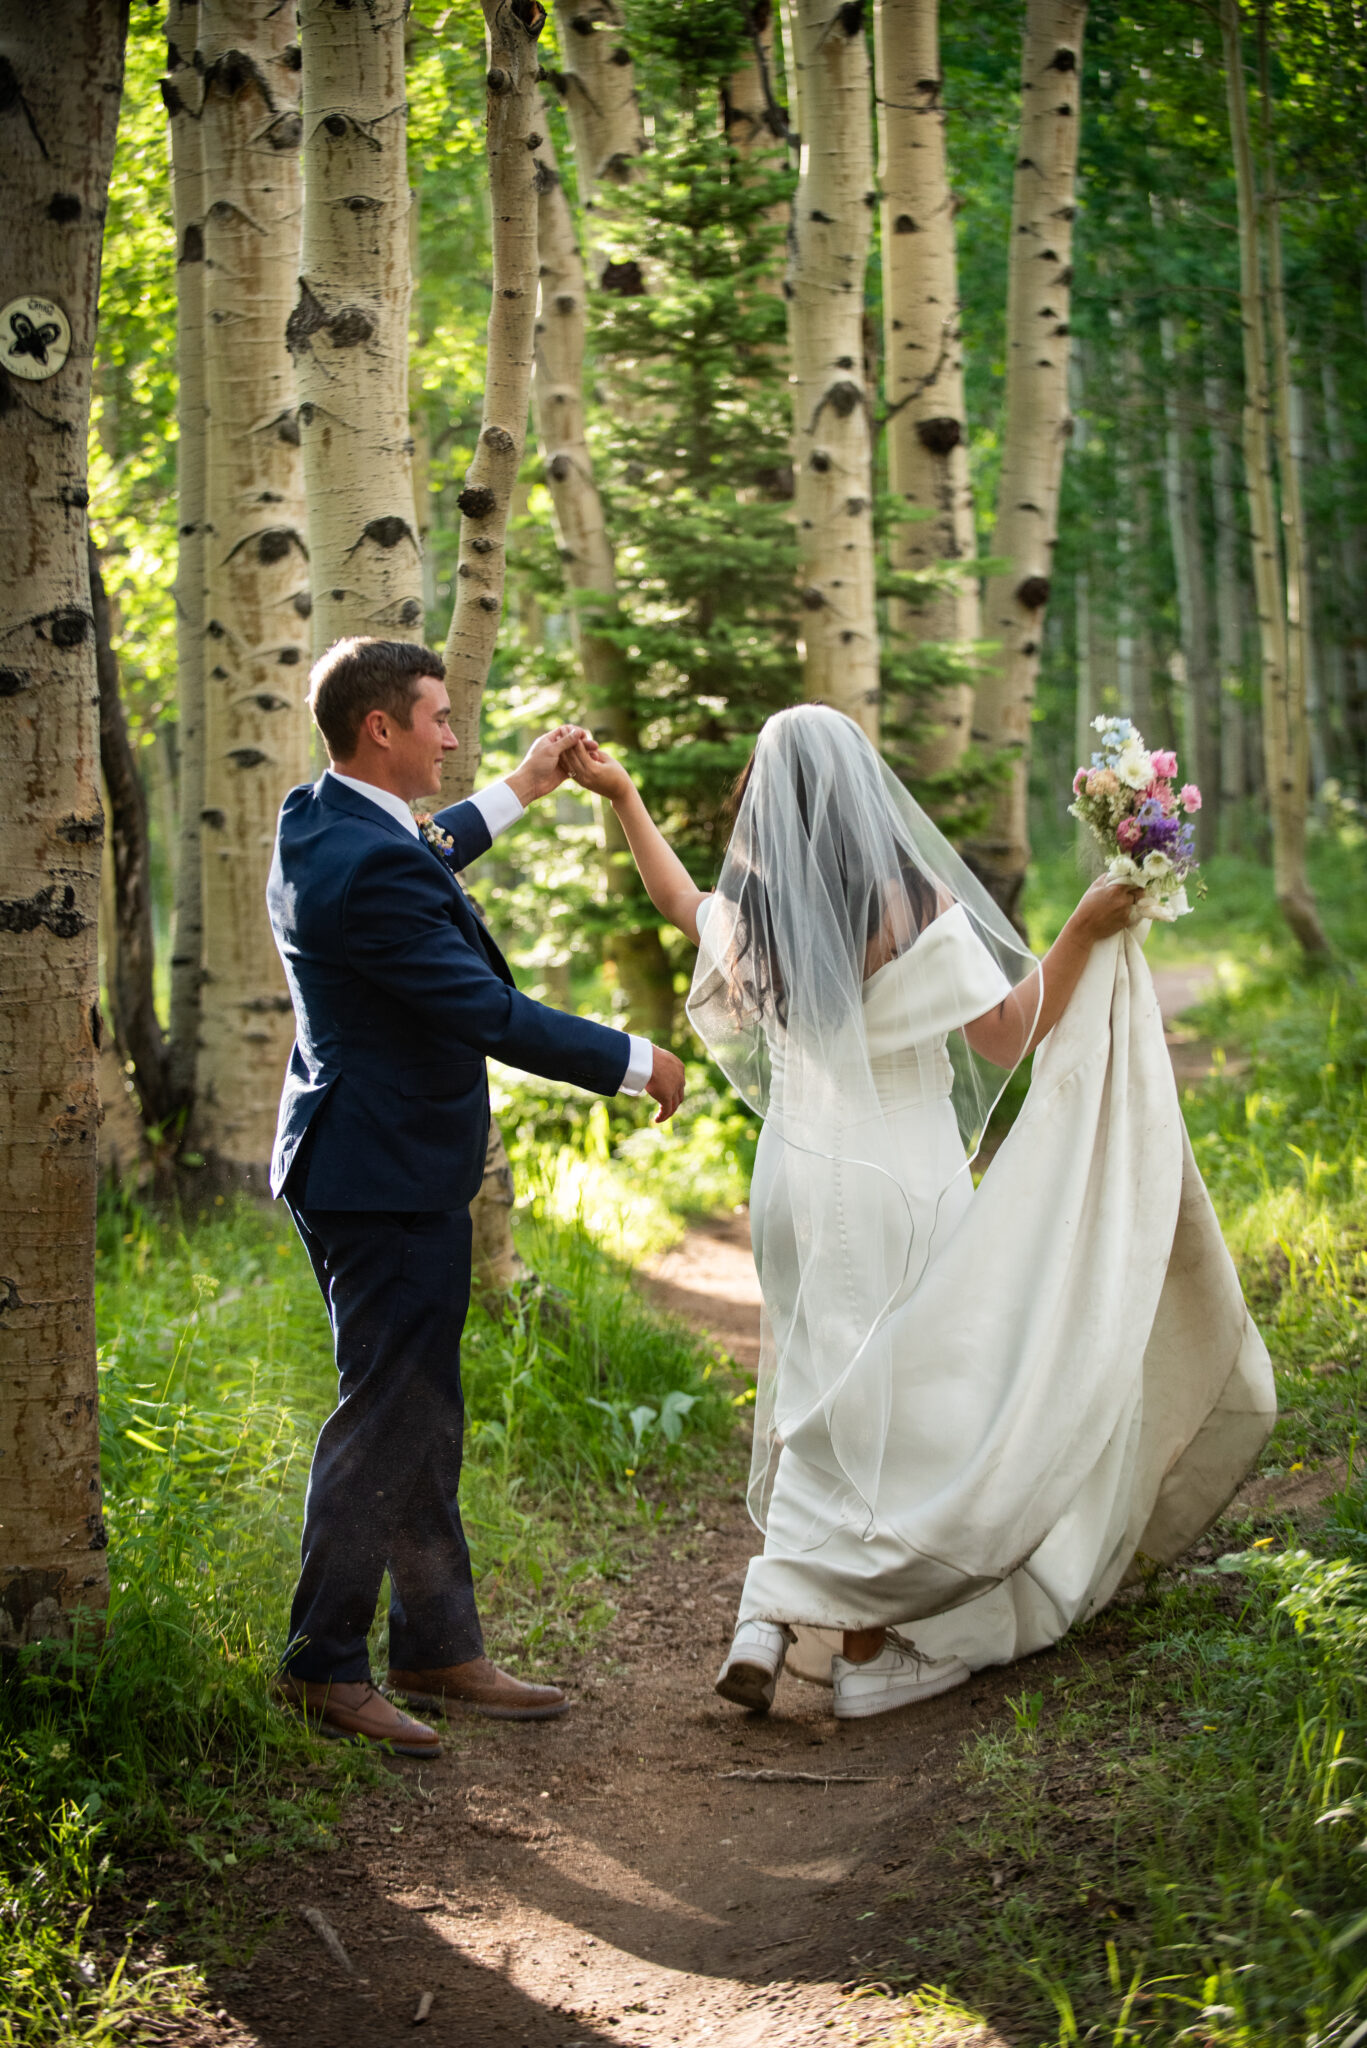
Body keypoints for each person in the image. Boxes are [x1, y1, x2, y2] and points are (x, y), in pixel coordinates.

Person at [566, 705, 1275, 1722]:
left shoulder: (758, 913)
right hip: (894, 1168)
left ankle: (767, 1613)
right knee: (890, 1408)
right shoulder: (910, 903)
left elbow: (681, 900)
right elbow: (1003, 1038)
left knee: (816, 1382)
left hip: (790, 1175)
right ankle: (858, 1647)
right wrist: (1079, 926)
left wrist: (625, 796)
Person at [267, 636, 686, 1755]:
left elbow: (426, 847)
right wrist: (638, 1059)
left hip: (355, 1156)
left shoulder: (322, 819)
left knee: (416, 1409)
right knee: (384, 1417)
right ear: (382, 730)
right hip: (384, 1174)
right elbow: (487, 1010)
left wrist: (529, 786)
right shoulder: (375, 865)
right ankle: (321, 1662)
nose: (455, 736)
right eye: (439, 718)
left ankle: (436, 1644)